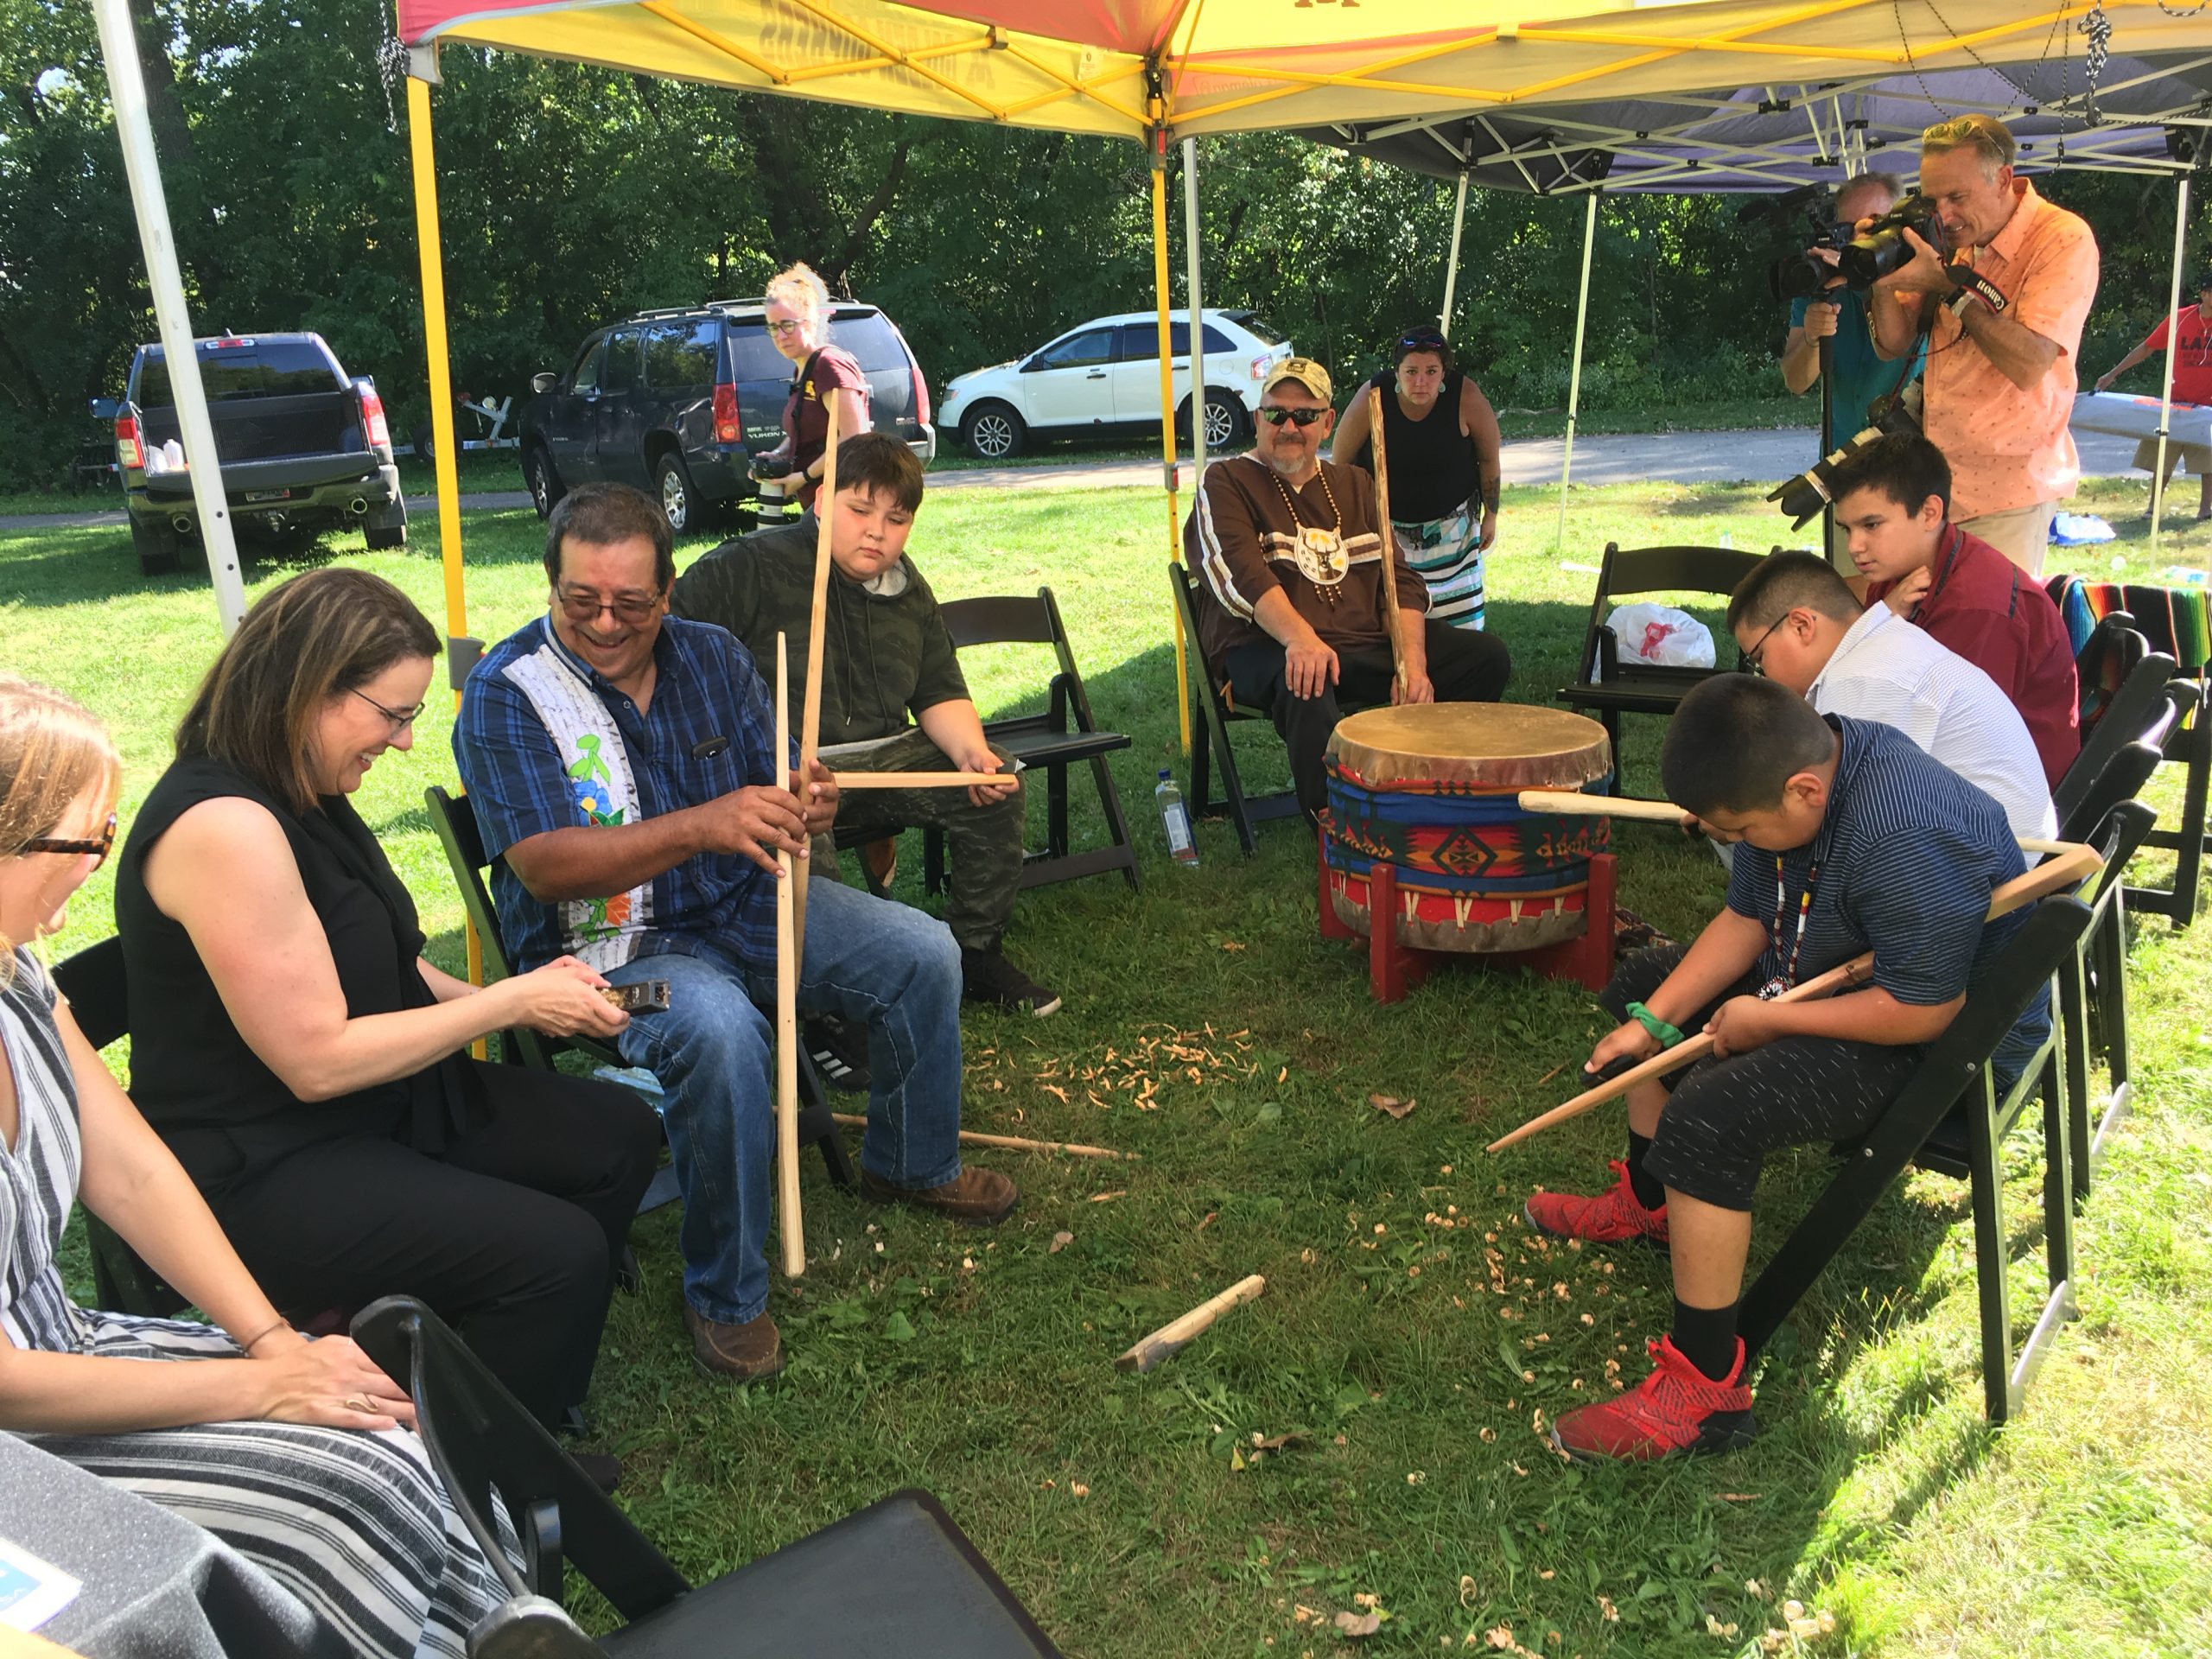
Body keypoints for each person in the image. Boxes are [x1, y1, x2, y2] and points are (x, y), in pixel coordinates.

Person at [453, 482, 1015, 1388]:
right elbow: (545, 867)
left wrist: (808, 796)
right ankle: (724, 1292)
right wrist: (701, 823)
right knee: (720, 1031)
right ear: (550, 585)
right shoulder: (507, 692)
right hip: (604, 954)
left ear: (667, 594)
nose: (603, 622)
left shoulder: (710, 654)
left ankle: (909, 1164)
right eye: (578, 599)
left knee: (921, 952)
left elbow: (773, 782)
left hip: (738, 902)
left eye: (630, 604)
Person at [0, 674, 515, 1657]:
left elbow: (134, 1172)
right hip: (24, 1449)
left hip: (71, 1352)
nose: (101, 864)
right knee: (345, 1498)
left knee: (391, 1428)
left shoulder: (14, 967)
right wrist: (259, 1387)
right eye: (86, 841)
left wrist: (272, 1341)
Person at [114, 569, 660, 1438]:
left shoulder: (307, 788)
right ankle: (468, 1466)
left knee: (618, 1137)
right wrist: (501, 1005)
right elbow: (315, 1061)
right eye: (393, 714)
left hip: (375, 1104)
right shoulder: (226, 827)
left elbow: (395, 970)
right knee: (555, 1252)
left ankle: (477, 1375)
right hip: (263, 1162)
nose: (405, 743)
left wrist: (524, 1002)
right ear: (307, 690)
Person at [1528, 676, 2043, 1461]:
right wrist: (1656, 1023)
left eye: (1737, 830)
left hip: (1947, 1051)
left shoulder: (1902, 829)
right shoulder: (1800, 775)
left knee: (1711, 1113)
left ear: (1804, 791)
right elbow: (1747, 916)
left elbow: (1923, 1008)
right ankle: (1652, 1204)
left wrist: (1772, 1018)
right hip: (1852, 980)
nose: (1732, 841)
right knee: (1642, 993)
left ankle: (1706, 1394)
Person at [672, 431, 1058, 1016]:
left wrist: (971, 755)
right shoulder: (750, 566)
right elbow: (667, 636)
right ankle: (828, 1003)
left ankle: (972, 951)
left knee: (997, 780)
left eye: (896, 519)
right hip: (789, 767)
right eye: (859, 510)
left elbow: (939, 690)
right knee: (798, 813)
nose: (877, 531)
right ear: (823, 501)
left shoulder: (908, 589)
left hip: (885, 761)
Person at [1185, 356, 1513, 821]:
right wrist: (1301, 640)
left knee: (1485, 658)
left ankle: (1432, 786)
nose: (1289, 427)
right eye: (1277, 414)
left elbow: (1398, 583)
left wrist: (1411, 663)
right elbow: (1238, 572)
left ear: (1328, 421)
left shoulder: (1355, 484)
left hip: (1361, 644)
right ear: (1258, 419)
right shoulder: (1226, 482)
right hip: (1266, 647)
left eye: (1305, 415)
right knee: (1307, 675)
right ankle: (1339, 822)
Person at [1867, 114, 2100, 575]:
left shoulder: (2060, 239)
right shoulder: (1952, 238)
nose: (1945, 215)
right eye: (1933, 199)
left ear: (2005, 180)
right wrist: (1877, 276)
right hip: (1935, 484)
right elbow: (1892, 344)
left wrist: (1952, 289)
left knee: (1987, 638)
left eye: (1957, 197)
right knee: (1933, 638)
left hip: (2009, 491)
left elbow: (2030, 362)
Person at [1726, 550, 2056, 840]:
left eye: (1760, 658)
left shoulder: (1859, 679)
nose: (1765, 676)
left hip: (2003, 881)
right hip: (2000, 854)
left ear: (1801, 626)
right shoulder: (1881, 649)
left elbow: (1836, 820)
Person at [1827, 432, 2078, 790]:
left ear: (1930, 512)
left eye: (1871, 525)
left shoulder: (1976, 608)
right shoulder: (1904, 572)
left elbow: (1951, 738)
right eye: (1846, 529)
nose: (1854, 546)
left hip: (2002, 810)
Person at [1778, 172, 1929, 567]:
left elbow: (1890, 347)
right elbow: (1795, 381)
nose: (1862, 239)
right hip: (1844, 469)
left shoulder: (1918, 281)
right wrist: (1811, 338)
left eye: (1875, 227)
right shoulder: (1824, 284)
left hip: (1912, 469)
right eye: (1851, 229)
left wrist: (1872, 277)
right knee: (1855, 596)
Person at [1329, 326, 1503, 629]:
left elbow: (1489, 460)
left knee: (1460, 623)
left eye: (1431, 371)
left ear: (1444, 374)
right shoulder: (1373, 396)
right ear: (1396, 373)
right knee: (1395, 617)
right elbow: (1341, 462)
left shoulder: (1468, 397)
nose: (1421, 381)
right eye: (1411, 371)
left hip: (1454, 532)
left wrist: (1492, 515)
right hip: (1388, 529)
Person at [751, 261, 871, 515]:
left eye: (788, 325)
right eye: (773, 327)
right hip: (820, 504)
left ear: (811, 321)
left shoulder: (830, 365)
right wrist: (778, 454)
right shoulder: (803, 370)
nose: (780, 335)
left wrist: (803, 476)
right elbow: (809, 431)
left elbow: (854, 439)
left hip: (847, 503)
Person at [2094, 273, 2212, 520]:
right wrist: (2113, 373)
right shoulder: (2180, 319)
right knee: (2162, 460)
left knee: (2209, 462)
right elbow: (2148, 346)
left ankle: (2205, 510)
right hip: (2176, 403)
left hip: (2208, 407)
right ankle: (2152, 509)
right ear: (2204, 293)